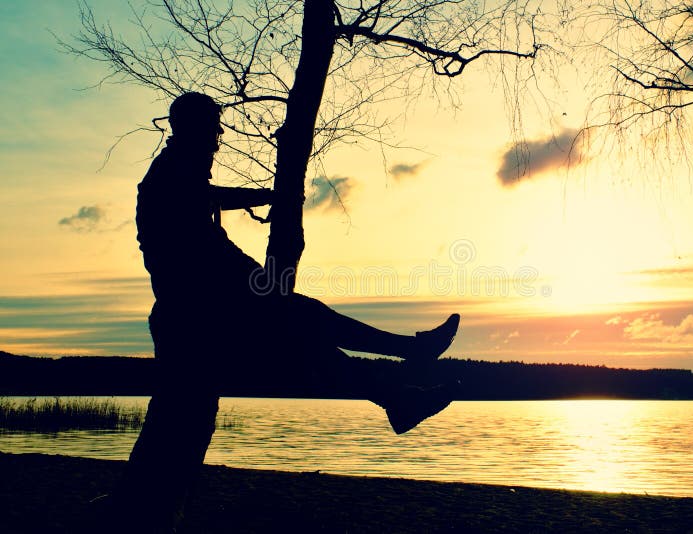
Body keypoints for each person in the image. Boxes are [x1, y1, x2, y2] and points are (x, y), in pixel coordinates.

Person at [109, 92, 460, 532]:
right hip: (199, 316)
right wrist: (269, 205)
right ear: (192, 128)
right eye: (214, 126)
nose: (220, 135)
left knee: (313, 339)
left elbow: (212, 225)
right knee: (311, 323)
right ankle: (411, 360)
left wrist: (262, 218)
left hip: (211, 307)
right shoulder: (172, 176)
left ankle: (400, 394)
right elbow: (204, 237)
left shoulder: (183, 179)